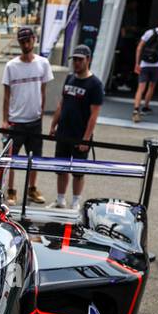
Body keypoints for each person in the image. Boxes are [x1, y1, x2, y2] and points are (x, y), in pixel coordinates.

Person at [1, 25, 53, 205]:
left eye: (28, 40)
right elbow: (7, 95)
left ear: (34, 40)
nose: (25, 44)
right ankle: (11, 191)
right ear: (19, 43)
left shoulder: (43, 63)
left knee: (35, 158)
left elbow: (44, 91)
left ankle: (32, 189)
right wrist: (4, 120)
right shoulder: (11, 66)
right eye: (22, 41)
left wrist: (41, 114)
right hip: (16, 121)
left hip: (35, 120)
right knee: (11, 159)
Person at [48, 44, 104, 208]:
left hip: (80, 135)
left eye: (80, 60)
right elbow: (62, 103)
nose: (76, 63)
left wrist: (86, 139)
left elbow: (94, 114)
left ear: (88, 60)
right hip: (63, 132)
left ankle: (76, 202)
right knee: (61, 168)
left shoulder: (95, 84)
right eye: (75, 60)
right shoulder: (69, 78)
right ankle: (60, 200)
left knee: (78, 172)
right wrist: (53, 125)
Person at [132, 12, 158, 123]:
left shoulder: (149, 32)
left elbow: (139, 47)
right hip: (156, 65)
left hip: (144, 63)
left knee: (140, 88)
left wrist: (137, 63)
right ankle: (145, 106)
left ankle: (136, 110)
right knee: (151, 86)